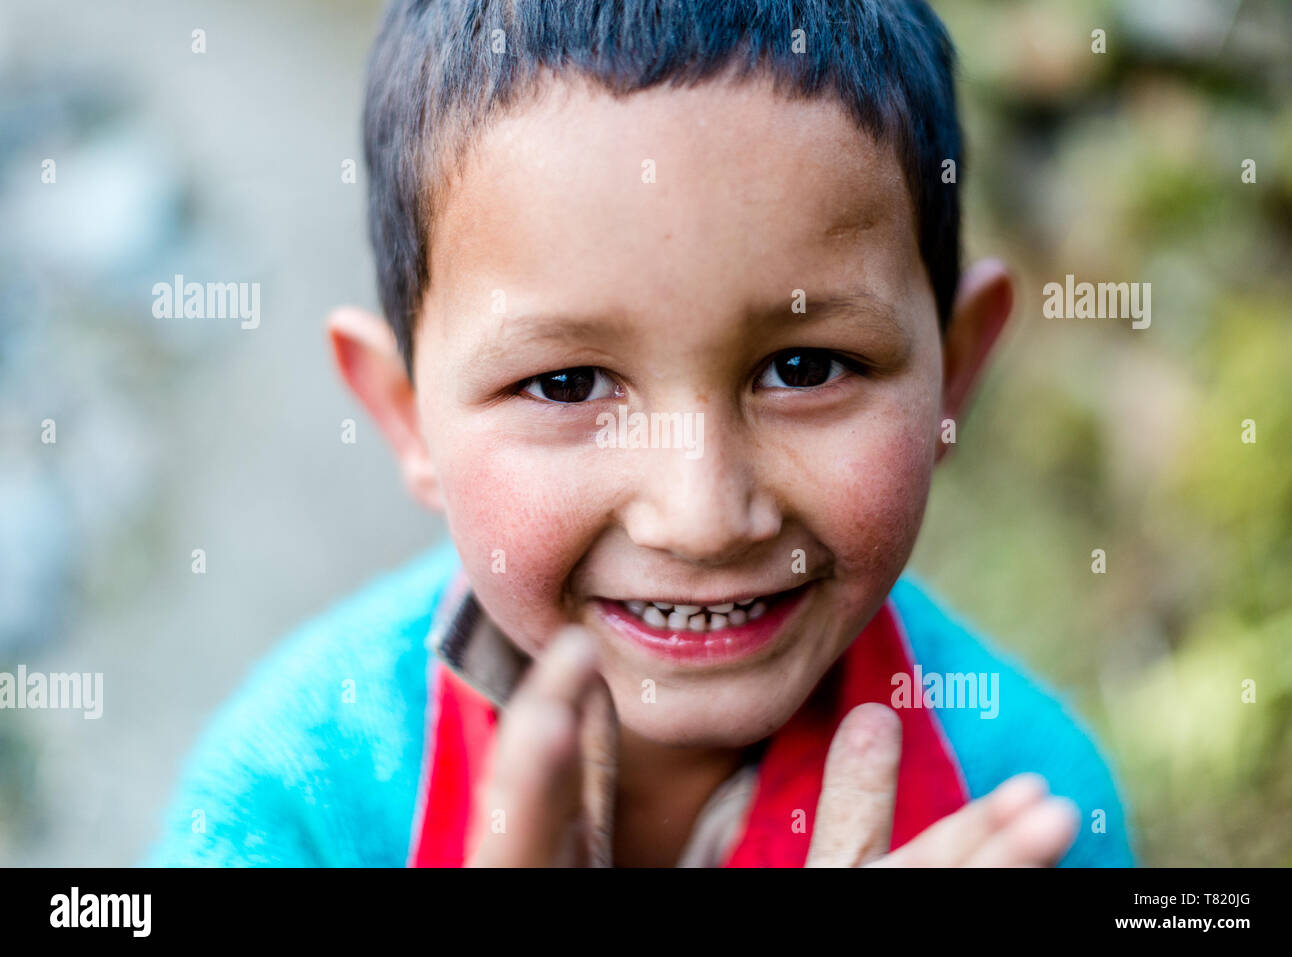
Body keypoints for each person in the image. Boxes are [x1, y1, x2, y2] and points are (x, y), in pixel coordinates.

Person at [145, 0, 1135, 867]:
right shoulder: (294, 799)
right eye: (567, 382)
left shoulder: (1023, 807)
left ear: (955, 372)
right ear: (403, 416)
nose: (702, 516)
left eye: (805, 367)